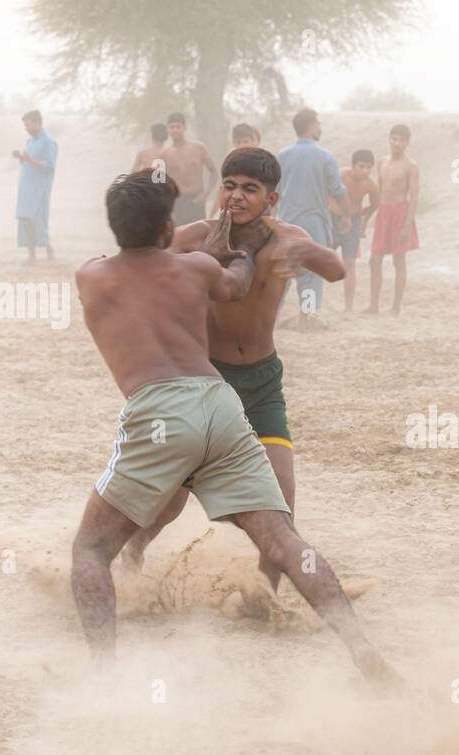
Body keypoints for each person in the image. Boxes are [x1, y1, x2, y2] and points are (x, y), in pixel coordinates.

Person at [71, 168, 397, 686]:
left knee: (89, 550)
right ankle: (361, 649)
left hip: (159, 409)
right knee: (283, 538)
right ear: (165, 229)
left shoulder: (90, 274)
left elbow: (134, 267)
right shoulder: (197, 268)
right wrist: (235, 254)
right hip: (218, 401)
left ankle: (103, 678)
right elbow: (235, 282)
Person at [121, 147, 347, 587]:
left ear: (272, 200)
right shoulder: (196, 235)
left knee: (281, 493)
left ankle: (265, 592)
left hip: (262, 381)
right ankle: (130, 551)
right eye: (229, 186)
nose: (237, 197)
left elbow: (336, 269)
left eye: (250, 189)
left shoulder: (289, 237)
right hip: (206, 382)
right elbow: (136, 260)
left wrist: (306, 253)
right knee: (172, 497)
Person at [277, 108, 350, 325]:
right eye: (318, 124)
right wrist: (346, 215)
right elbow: (337, 190)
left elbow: (275, 190)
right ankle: (307, 315)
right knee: (311, 273)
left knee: (282, 272)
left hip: (287, 222)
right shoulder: (324, 156)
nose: (320, 128)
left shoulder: (282, 156)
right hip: (314, 222)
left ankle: (270, 316)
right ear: (310, 126)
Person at [368, 125, 421, 316]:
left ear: (407, 142)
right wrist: (370, 218)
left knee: (399, 261)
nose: (397, 143)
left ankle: (395, 307)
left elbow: (414, 197)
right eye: (394, 139)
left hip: (401, 212)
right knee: (374, 259)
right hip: (384, 212)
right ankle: (373, 306)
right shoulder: (382, 162)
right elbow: (379, 192)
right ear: (389, 139)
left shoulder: (411, 166)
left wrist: (407, 225)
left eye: (401, 140)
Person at [331, 149, 380, 312]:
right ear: (353, 165)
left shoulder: (370, 184)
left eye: (368, 167)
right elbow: (325, 192)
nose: (365, 171)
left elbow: (375, 204)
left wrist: (364, 218)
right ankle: (315, 303)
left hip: (353, 222)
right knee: (322, 257)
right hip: (333, 220)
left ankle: (348, 308)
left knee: (350, 263)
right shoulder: (340, 175)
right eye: (361, 166)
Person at [13, 110, 57, 264]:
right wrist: (21, 158)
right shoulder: (29, 141)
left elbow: (49, 167)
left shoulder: (49, 142)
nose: (26, 128)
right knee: (25, 218)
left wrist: (29, 159)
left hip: (40, 187)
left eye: (28, 125)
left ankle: (47, 249)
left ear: (38, 123)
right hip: (26, 185)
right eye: (25, 126)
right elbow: (27, 161)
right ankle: (32, 254)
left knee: (37, 218)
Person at [160, 112, 216, 226]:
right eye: (172, 127)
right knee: (178, 238)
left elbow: (214, 172)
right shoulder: (164, 154)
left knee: (199, 237)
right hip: (177, 202)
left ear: (184, 128)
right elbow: (159, 183)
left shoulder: (198, 148)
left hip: (197, 199)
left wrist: (205, 195)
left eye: (178, 126)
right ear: (168, 130)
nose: (175, 130)